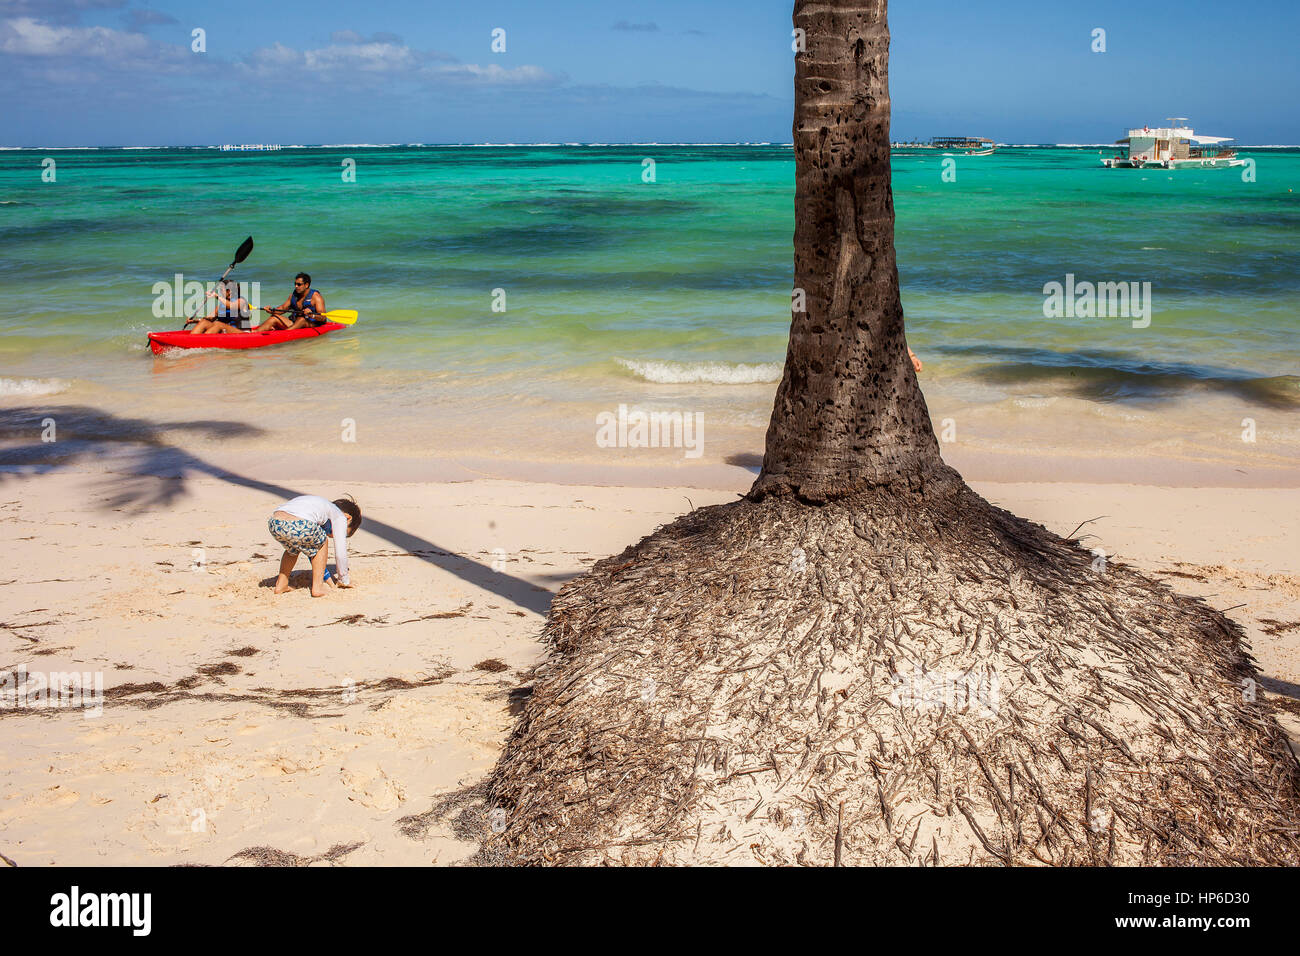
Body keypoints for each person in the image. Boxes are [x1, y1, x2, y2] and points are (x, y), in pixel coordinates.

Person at [267, 494, 361, 597]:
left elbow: (312, 554)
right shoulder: (339, 517)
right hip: (300, 524)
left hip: (275, 522)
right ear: (348, 518)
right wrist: (344, 580)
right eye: (344, 533)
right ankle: (318, 588)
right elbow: (340, 553)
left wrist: (328, 579)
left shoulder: (320, 507)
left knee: (292, 551)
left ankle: (282, 584)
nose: (333, 536)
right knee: (323, 542)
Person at [256, 272, 325, 332]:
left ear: (306, 285)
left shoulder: (316, 296)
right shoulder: (293, 296)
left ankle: (283, 334)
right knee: (274, 317)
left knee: (301, 319)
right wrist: (271, 311)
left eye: (299, 284)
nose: (296, 286)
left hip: (312, 324)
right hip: (295, 324)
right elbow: (283, 308)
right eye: (295, 284)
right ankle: (253, 332)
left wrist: (311, 315)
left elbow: (323, 317)